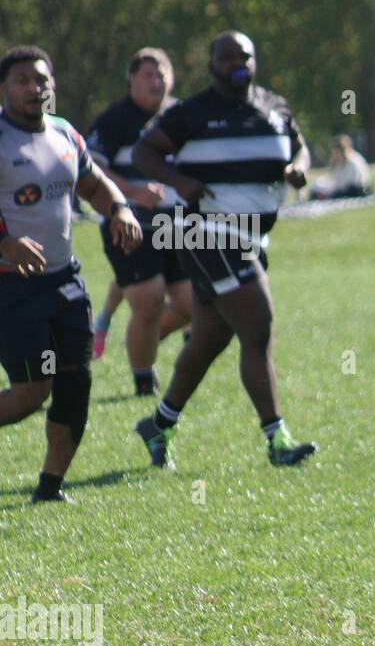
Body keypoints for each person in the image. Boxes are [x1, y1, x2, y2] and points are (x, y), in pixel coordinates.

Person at [131, 30, 317, 469]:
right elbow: (144, 152)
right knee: (259, 322)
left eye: (245, 55)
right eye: (227, 56)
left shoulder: (274, 107)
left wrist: (299, 168)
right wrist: (179, 181)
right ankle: (276, 438)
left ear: (255, 61)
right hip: (204, 232)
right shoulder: (192, 112)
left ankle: (158, 423)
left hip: (253, 236)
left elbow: (300, 145)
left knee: (211, 338)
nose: (237, 62)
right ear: (212, 65)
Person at [0, 46, 142, 502]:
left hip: (65, 281)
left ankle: (50, 487)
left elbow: (95, 182)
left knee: (75, 381)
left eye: (41, 80)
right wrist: (4, 244)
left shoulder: (64, 134)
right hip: (11, 286)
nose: (33, 88)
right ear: (3, 90)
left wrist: (119, 209)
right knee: (32, 390)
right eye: (22, 80)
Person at [86, 47, 191, 395]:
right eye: (148, 74)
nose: (156, 81)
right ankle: (143, 379)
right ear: (131, 79)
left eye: (162, 74)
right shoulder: (114, 119)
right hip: (128, 224)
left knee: (196, 304)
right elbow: (90, 168)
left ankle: (138, 338)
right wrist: (132, 191)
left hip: (177, 225)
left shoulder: (180, 115)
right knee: (149, 298)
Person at [307, 134, 372, 200]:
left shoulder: (352, 161)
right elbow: (335, 180)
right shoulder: (339, 162)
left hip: (356, 191)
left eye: (335, 151)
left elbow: (349, 184)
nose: (333, 154)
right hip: (345, 190)